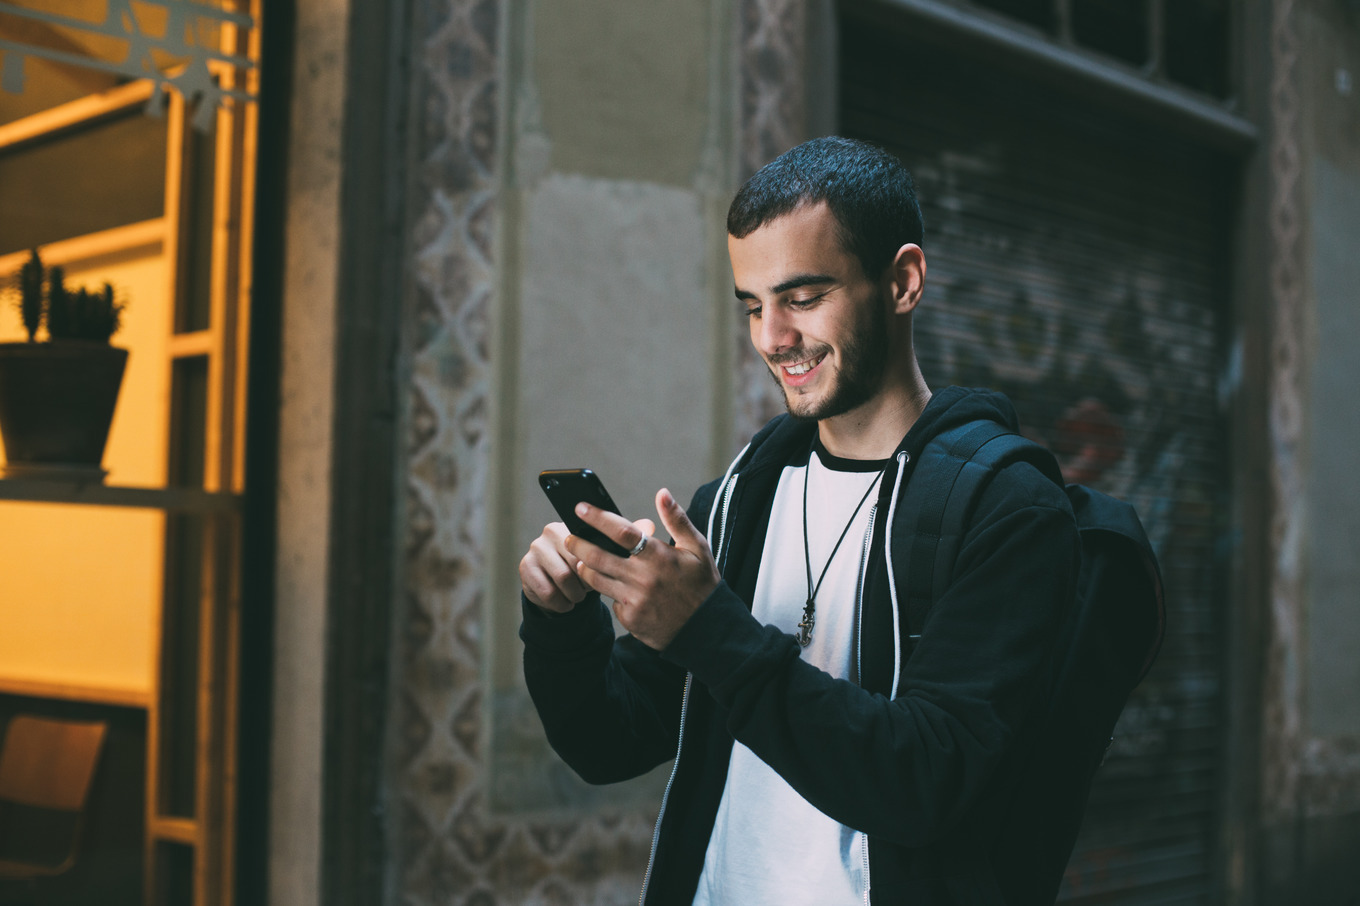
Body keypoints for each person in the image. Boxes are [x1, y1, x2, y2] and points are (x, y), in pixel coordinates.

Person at [518, 136, 1080, 905]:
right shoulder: (739, 501)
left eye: (804, 299)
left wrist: (708, 630)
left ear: (903, 282)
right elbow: (607, 744)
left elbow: (924, 783)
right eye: (754, 305)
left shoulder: (1006, 508)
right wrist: (559, 622)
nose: (772, 339)